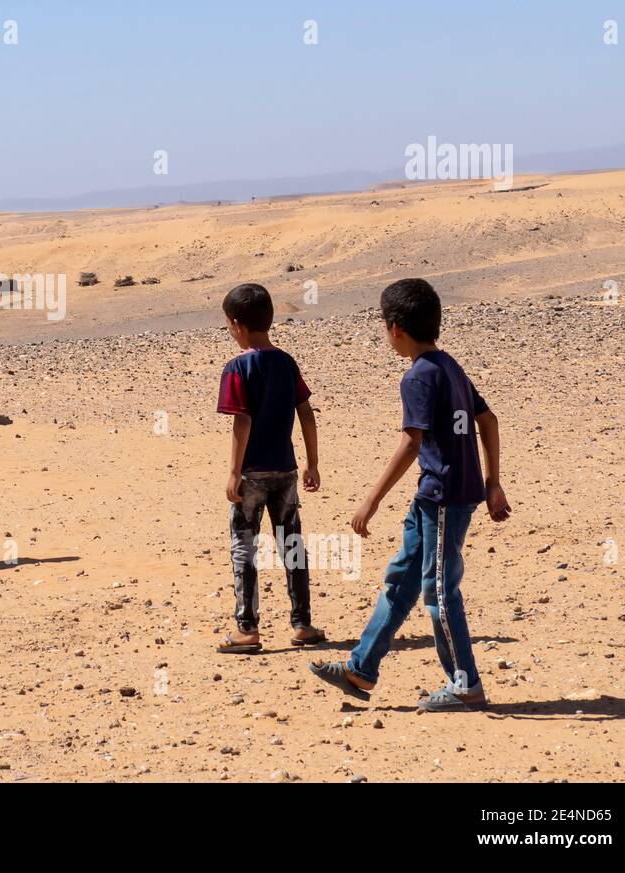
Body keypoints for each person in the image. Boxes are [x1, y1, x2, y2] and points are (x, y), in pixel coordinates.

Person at [310, 278, 511, 711]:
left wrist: (371, 499)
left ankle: (466, 685)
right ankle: (360, 669)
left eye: (385, 327)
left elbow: (411, 443)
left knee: (440, 592)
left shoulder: (418, 376)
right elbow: (488, 420)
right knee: (401, 580)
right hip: (435, 497)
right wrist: (492, 482)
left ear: (396, 327)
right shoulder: (450, 366)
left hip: (444, 497)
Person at [216, 283, 325, 653]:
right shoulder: (286, 362)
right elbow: (306, 413)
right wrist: (312, 462)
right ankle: (302, 624)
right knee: (292, 543)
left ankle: (247, 629)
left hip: (252, 473)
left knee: (244, 547)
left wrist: (234, 471)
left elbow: (241, 421)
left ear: (236, 324)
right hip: (286, 470)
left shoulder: (237, 367)